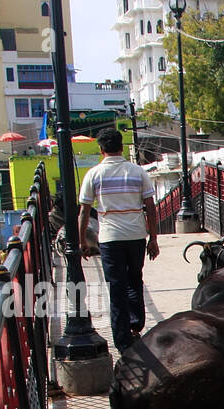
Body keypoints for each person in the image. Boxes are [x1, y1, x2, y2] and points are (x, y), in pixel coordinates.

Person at [77, 127, 159, 351]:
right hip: (136, 236)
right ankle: (136, 324)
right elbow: (150, 207)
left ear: (101, 149)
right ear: (122, 147)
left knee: (116, 287)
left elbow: (84, 211)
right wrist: (153, 238)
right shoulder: (138, 172)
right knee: (135, 280)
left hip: (110, 238)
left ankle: (122, 341)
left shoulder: (94, 174)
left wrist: (82, 241)